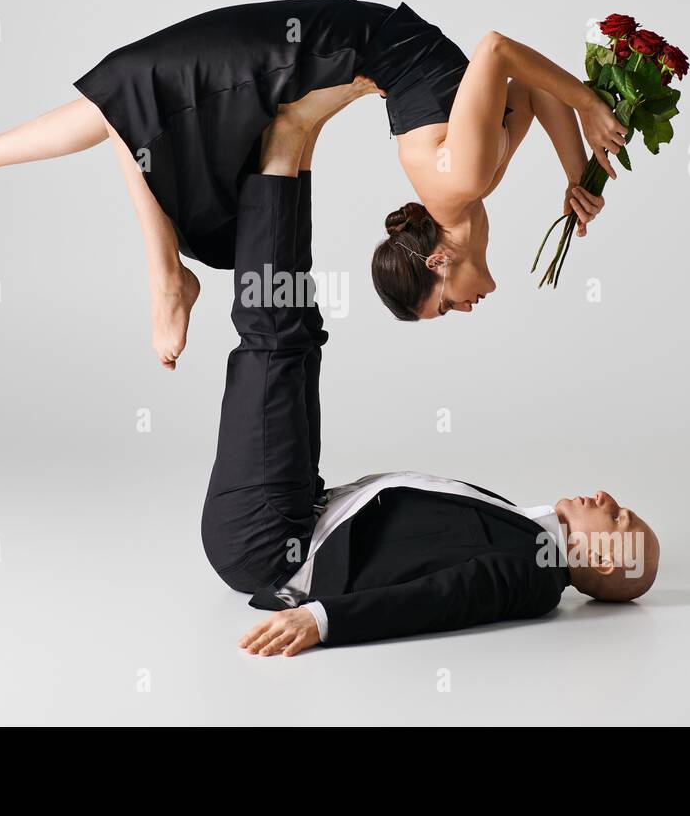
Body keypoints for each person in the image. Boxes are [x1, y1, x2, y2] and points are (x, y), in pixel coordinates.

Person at [0, 0, 624, 365]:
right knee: (137, 90)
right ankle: (159, 273)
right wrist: (585, 131)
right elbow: (504, 57)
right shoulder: (464, 181)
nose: (459, 311)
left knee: (140, 93)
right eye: (443, 310)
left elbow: (524, 89)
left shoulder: (465, 182)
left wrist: (574, 161)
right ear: (438, 262)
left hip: (324, 50)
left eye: (442, 312)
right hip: (325, 43)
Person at [203, 118, 659, 658]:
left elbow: (438, 599)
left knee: (275, 341)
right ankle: (293, 148)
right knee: (297, 340)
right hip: (301, 509)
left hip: (270, 542)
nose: (607, 498)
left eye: (617, 515)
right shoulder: (524, 528)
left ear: (608, 560)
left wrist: (323, 621)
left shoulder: (531, 575)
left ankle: (283, 142)